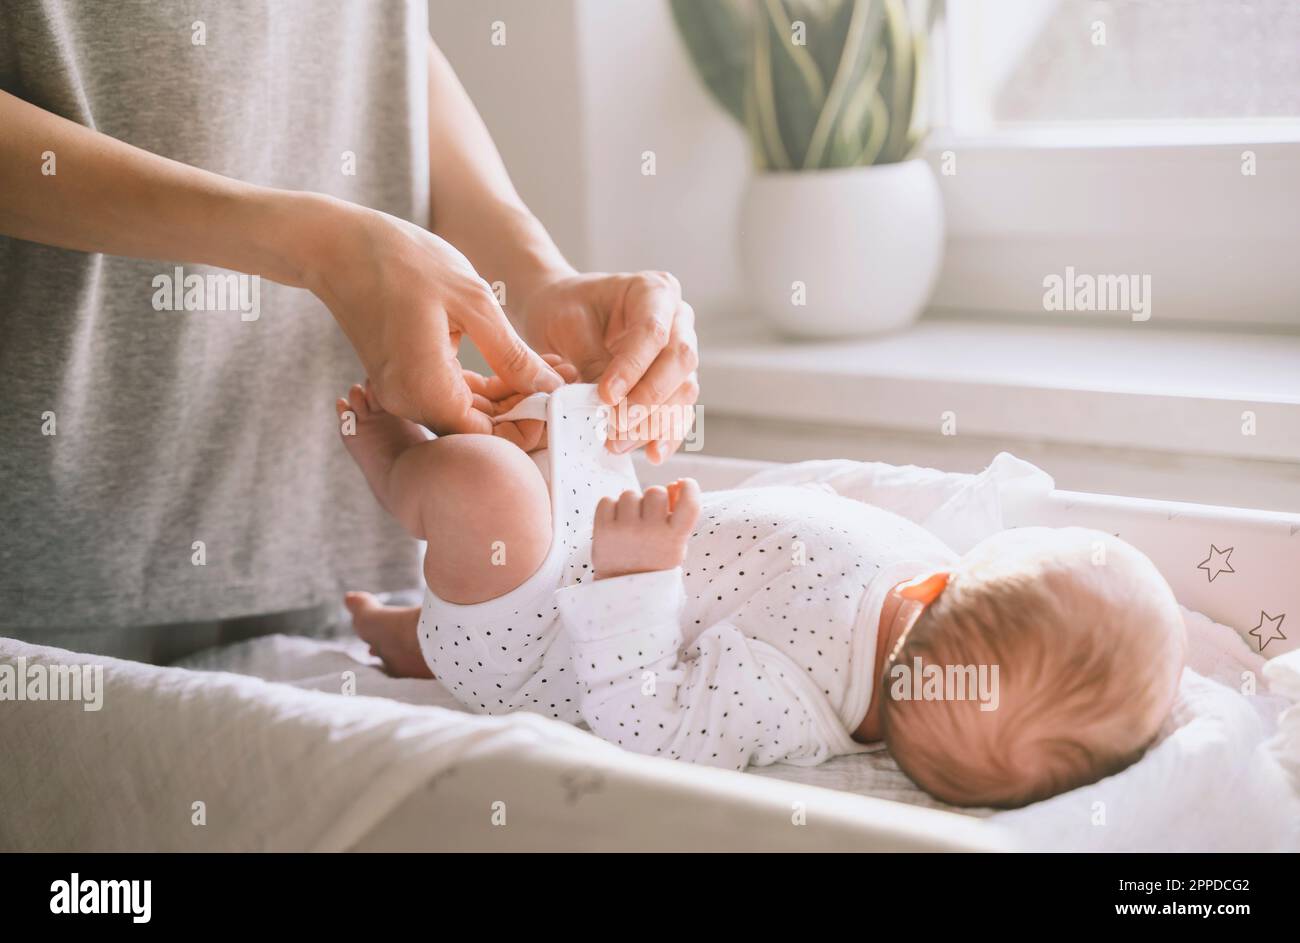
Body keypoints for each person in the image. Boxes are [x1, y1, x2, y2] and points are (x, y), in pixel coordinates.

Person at [0, 1, 697, 661]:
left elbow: (373, 36)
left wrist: (534, 274)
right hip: (63, 535)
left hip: (342, 531)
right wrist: (323, 249)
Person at [338, 380, 1186, 809]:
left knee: (487, 484)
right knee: (561, 408)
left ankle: (395, 467)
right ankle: (406, 634)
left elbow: (652, 728)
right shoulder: (920, 562)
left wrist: (635, 579)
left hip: (535, 645)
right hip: (589, 547)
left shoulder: (797, 700)